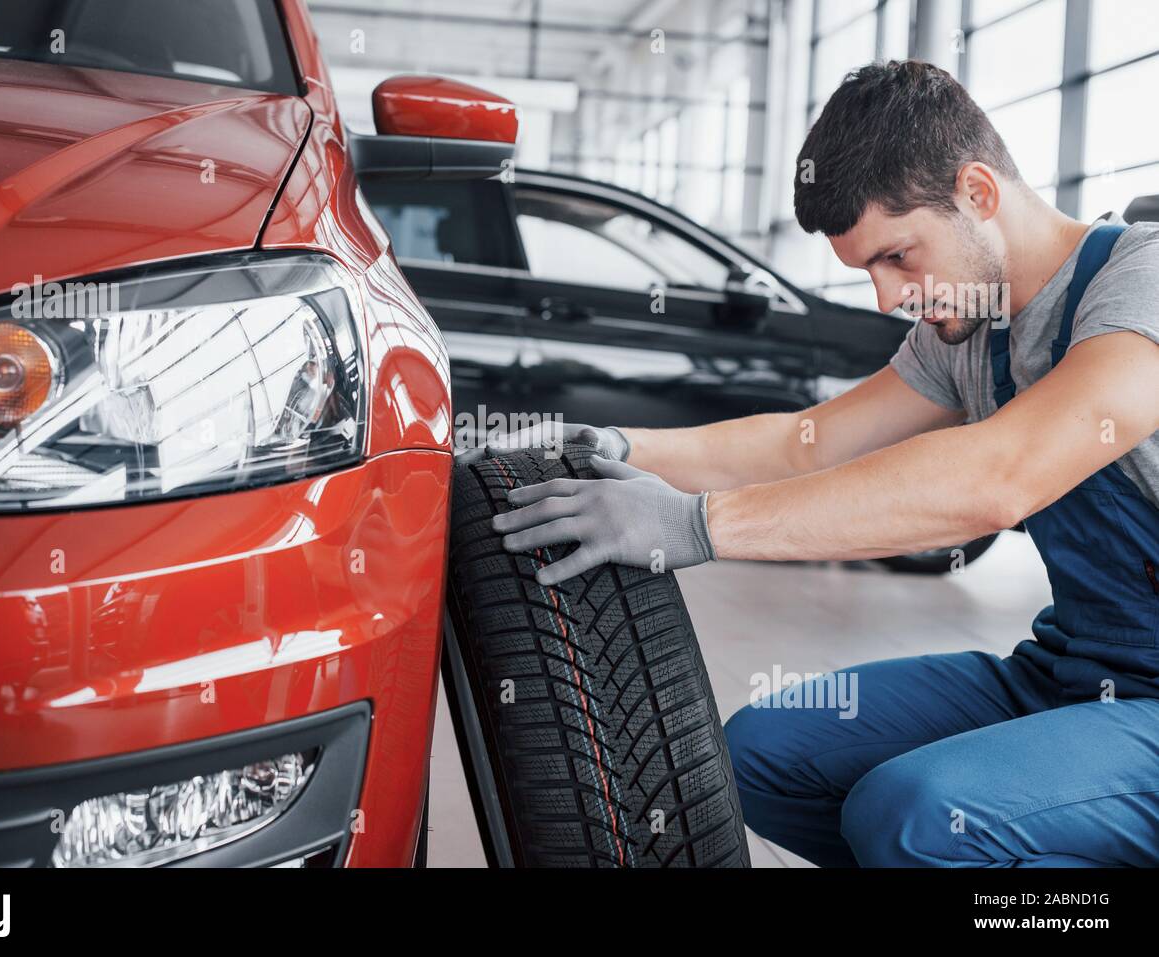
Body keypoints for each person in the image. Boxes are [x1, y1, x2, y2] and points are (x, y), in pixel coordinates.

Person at [462, 60, 1159, 866]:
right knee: (762, 757)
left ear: (978, 192)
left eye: (898, 256)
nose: (887, 298)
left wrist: (697, 524)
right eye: (869, 270)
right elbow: (811, 439)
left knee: (917, 815)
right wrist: (619, 446)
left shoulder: (1139, 283)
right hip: (1070, 670)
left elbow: (1002, 476)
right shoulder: (971, 332)